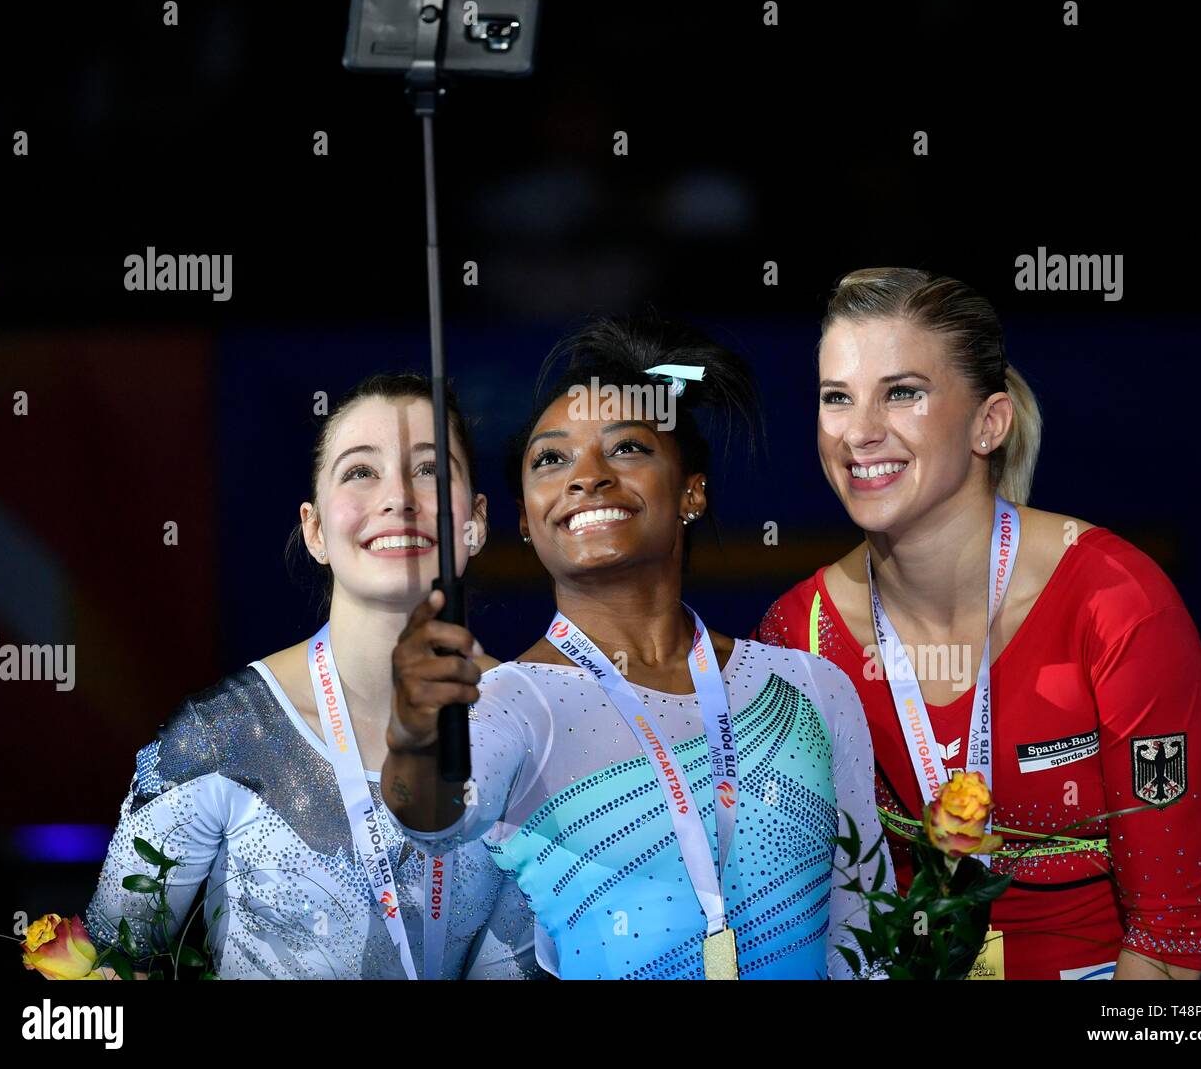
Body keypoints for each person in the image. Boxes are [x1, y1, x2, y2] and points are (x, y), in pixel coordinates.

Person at [379, 314, 894, 979]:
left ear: (691, 491)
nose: (585, 476)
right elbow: (434, 816)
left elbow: (869, 930)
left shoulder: (811, 687)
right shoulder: (513, 701)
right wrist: (413, 734)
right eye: (551, 458)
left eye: (625, 448)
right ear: (529, 525)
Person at [754, 267, 1201, 980]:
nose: (859, 432)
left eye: (902, 393)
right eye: (836, 398)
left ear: (989, 423)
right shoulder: (801, 633)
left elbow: (1169, 941)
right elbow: (793, 923)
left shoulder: (1118, 602)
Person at [84, 371, 542, 979]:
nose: (398, 498)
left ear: (475, 522)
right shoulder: (223, 733)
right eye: (360, 471)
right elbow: (106, 974)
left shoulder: (539, 728)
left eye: (430, 470)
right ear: (316, 529)